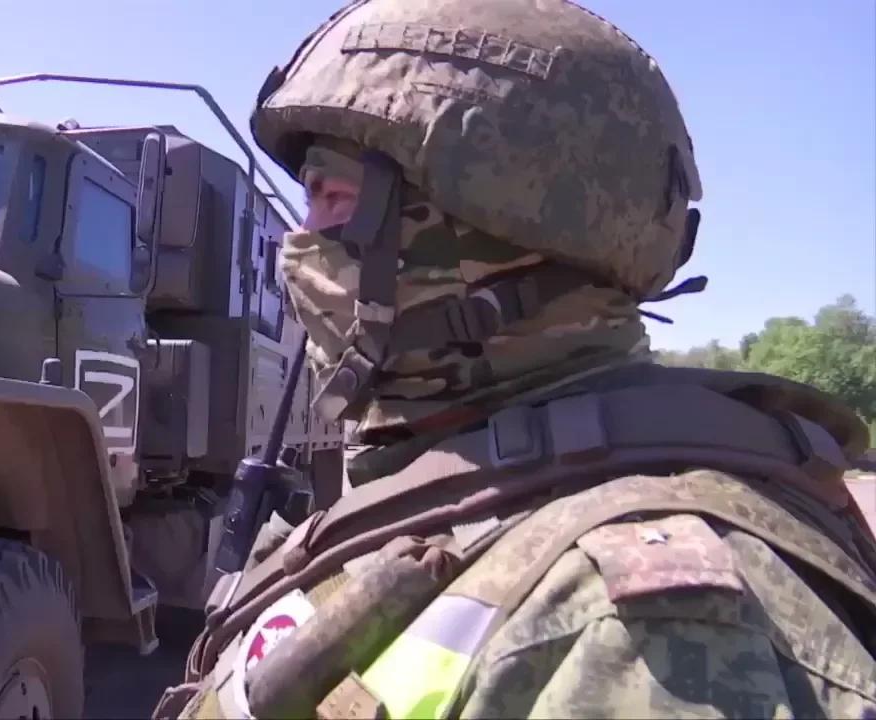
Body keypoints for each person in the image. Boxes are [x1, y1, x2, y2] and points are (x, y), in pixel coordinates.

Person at [154, 0, 876, 718]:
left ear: (496, 226)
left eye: (333, 196)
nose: (301, 240)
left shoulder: (637, 633)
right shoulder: (468, 495)